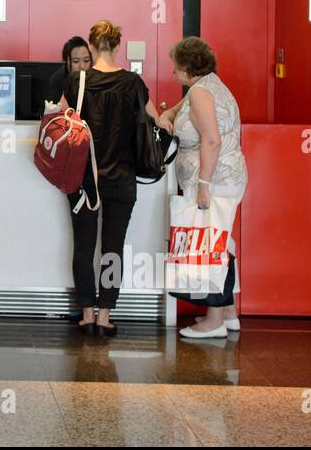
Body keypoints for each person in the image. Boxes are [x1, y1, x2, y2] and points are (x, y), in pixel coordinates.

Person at [61, 20, 158, 337]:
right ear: (117, 46)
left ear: (90, 46)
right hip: (122, 177)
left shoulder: (78, 81)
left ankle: (86, 315)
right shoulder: (133, 82)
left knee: (83, 247)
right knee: (113, 248)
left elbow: (58, 120)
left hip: (83, 178)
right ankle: (104, 318)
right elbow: (155, 119)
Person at [158, 36, 248, 339]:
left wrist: (204, 185)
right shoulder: (207, 85)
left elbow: (212, 140)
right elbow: (174, 110)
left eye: (175, 66)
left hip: (215, 181)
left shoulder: (200, 94)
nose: (173, 72)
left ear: (187, 67)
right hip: (225, 177)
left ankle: (214, 321)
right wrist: (167, 116)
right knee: (224, 241)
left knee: (214, 247)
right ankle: (229, 312)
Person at [44, 34, 93, 105]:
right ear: (66, 62)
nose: (82, 66)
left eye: (86, 60)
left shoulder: (95, 79)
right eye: (76, 61)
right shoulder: (58, 80)